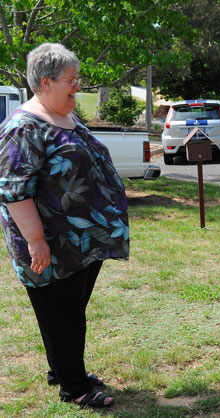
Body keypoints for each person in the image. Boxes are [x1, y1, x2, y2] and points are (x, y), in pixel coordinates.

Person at [0, 43, 129, 408]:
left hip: (82, 240)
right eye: (71, 81)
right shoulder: (23, 128)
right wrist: (37, 241)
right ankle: (74, 387)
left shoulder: (64, 115)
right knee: (62, 312)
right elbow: (13, 191)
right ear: (45, 82)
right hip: (51, 243)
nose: (77, 87)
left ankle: (63, 368)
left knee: (68, 310)